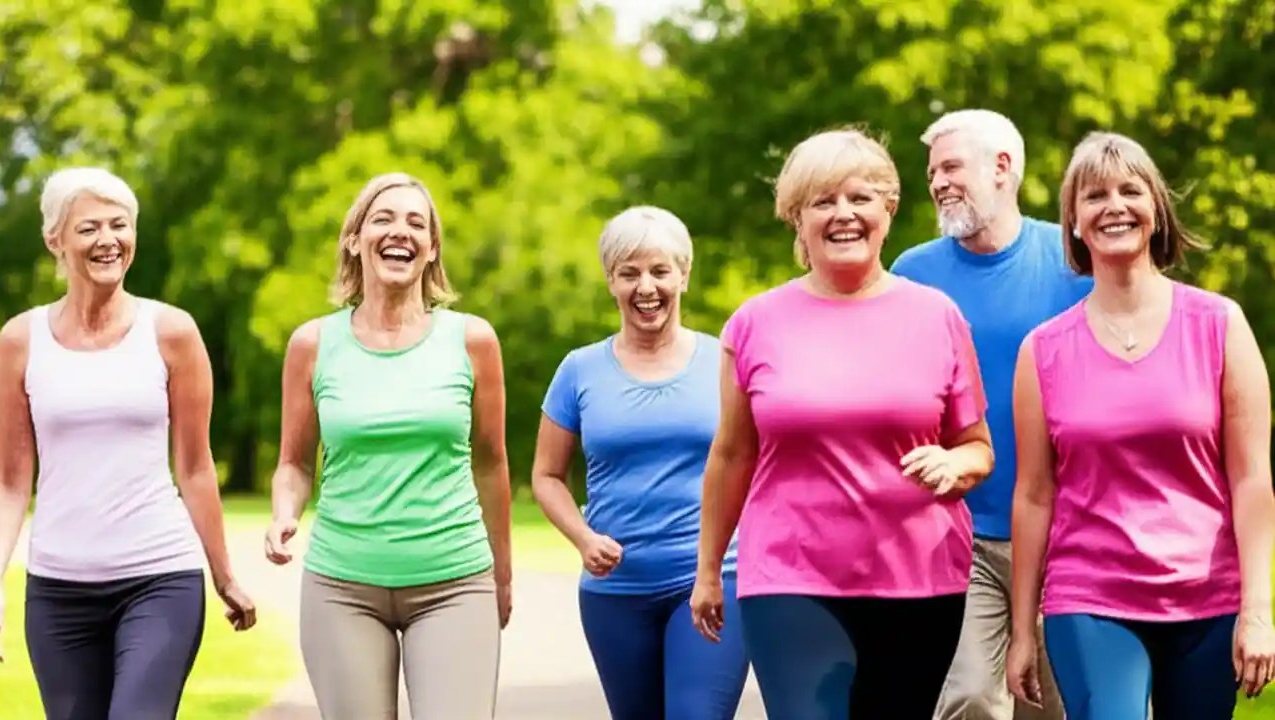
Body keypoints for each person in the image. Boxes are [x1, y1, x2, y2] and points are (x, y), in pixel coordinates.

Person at [689, 127, 994, 720]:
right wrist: (707, 571)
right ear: (796, 220)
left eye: (859, 198)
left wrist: (955, 463)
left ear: (888, 207)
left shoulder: (937, 317)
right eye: (822, 202)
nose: (843, 215)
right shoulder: (756, 323)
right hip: (789, 576)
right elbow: (730, 456)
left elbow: (977, 447)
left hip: (919, 579)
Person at [1005, 131, 1275, 719]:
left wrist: (1258, 609)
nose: (1114, 206)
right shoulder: (1043, 351)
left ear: (1156, 211)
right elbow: (1033, 494)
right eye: (1095, 195)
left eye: (1131, 190)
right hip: (1090, 593)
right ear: (1072, 221)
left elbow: (1252, 480)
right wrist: (1022, 629)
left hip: (1206, 595)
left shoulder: (1219, 325)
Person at [0, 167, 257, 719]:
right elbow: (10, 482)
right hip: (58, 592)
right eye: (89, 228)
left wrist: (225, 574)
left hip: (158, 578)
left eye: (120, 225)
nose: (108, 240)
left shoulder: (172, 333)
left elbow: (195, 468)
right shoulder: (21, 340)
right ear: (55, 240)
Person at [264, 172, 512, 720]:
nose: (399, 231)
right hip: (342, 584)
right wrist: (285, 513)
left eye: (415, 223)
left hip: (453, 579)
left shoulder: (472, 340)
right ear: (355, 240)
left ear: (431, 250)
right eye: (383, 219)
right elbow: (294, 463)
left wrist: (503, 572)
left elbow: (491, 464)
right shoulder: (313, 344)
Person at [890, 109, 1088, 720]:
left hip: (1066, 532)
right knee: (971, 695)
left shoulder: (1071, 262)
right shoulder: (911, 276)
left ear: (1003, 167)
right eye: (931, 173)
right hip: (959, 534)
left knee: (1057, 706)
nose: (938, 183)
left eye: (951, 166)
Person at [531, 206, 751, 720]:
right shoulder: (579, 370)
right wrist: (583, 538)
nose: (645, 287)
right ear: (611, 281)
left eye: (659, 271)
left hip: (712, 581)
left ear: (684, 275)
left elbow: (752, 464)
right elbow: (545, 475)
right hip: (616, 592)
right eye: (629, 273)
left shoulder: (724, 362)